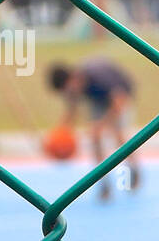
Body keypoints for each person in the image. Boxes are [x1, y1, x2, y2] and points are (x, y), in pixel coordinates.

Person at [46, 58, 141, 201]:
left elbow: (119, 103)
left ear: (72, 79)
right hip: (99, 100)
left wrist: (100, 125)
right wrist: (57, 134)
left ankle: (133, 170)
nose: (70, 93)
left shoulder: (99, 77)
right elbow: (71, 112)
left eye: (70, 90)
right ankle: (103, 181)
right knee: (95, 139)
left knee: (118, 135)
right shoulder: (72, 88)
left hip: (120, 96)